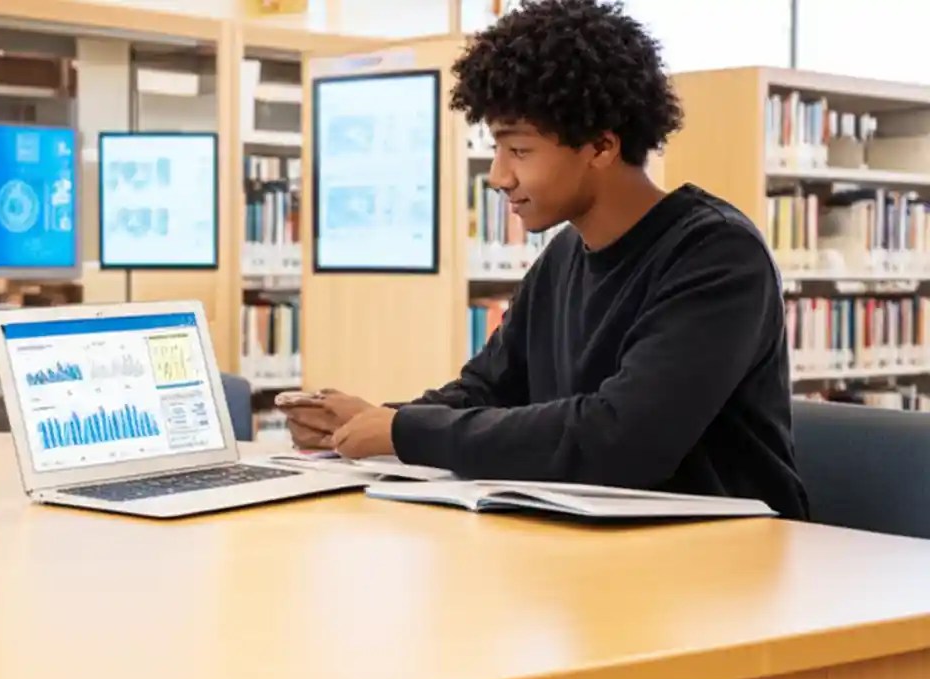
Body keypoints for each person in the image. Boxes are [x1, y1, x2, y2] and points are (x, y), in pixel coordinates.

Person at [283, 0, 809, 519]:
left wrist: (403, 433)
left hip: (725, 558)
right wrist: (370, 422)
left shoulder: (717, 256)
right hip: (601, 546)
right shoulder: (564, 255)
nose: (497, 175)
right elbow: (488, 389)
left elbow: (622, 439)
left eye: (519, 151)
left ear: (601, 146)